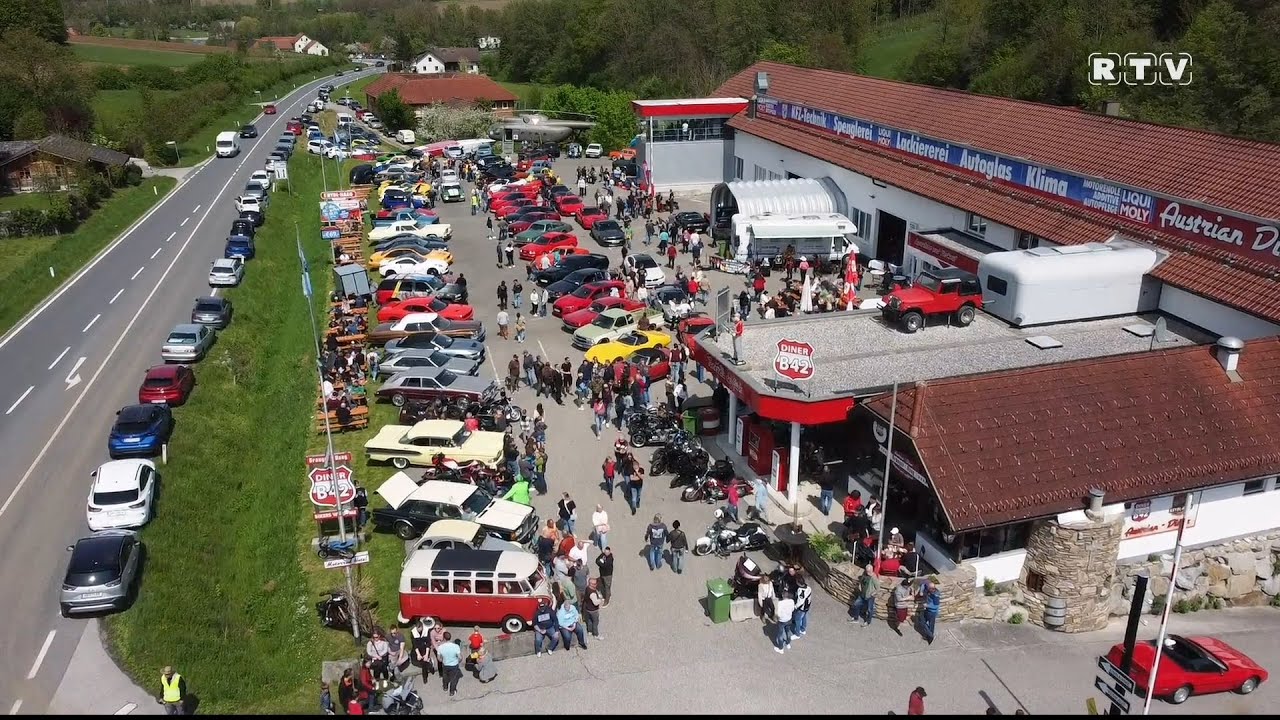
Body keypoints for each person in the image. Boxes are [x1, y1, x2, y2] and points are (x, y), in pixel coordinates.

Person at [917, 579, 941, 644]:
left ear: (933, 588)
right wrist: (921, 591)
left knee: (928, 623)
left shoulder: (936, 596)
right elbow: (924, 582)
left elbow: (936, 606)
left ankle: (930, 636)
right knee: (924, 622)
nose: (928, 589)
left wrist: (927, 605)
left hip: (932, 612)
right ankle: (930, 635)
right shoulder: (929, 589)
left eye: (929, 588)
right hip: (928, 610)